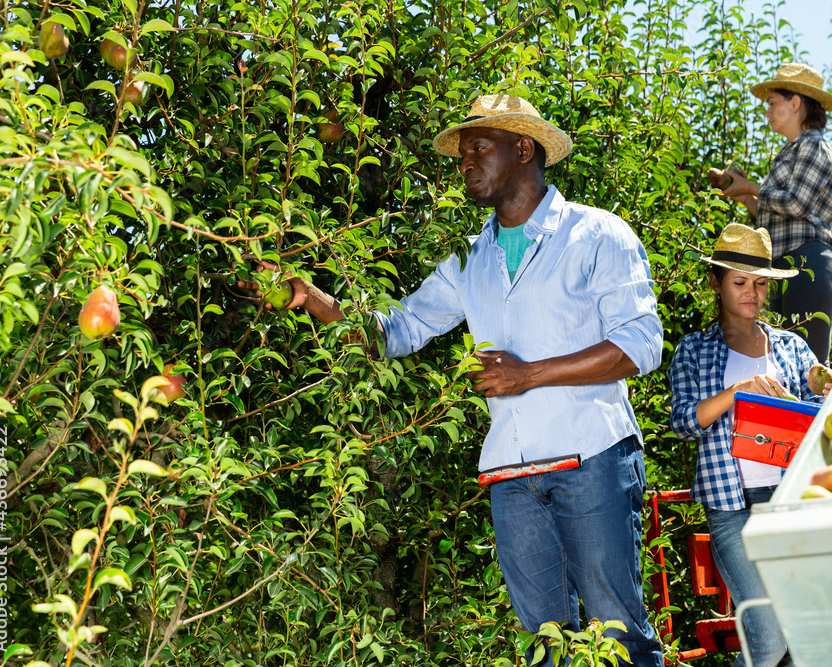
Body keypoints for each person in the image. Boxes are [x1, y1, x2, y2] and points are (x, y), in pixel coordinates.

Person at [244, 94, 665, 666]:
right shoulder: (469, 259)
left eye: (478, 148)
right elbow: (396, 331)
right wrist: (312, 299)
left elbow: (640, 346)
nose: (465, 163)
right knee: (548, 645)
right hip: (513, 475)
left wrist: (529, 374)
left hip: (592, 459)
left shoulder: (597, 236)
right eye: (462, 153)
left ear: (523, 149)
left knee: (618, 638)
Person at [667, 223, 829, 667]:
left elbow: (817, 412)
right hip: (732, 507)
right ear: (717, 283)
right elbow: (683, 422)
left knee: (803, 635)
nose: (751, 293)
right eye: (740, 282)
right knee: (769, 634)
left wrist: (827, 388)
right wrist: (737, 392)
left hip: (789, 500)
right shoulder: (695, 351)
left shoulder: (792, 349)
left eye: (760, 284)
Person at [709, 62, 832, 364]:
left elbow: (796, 204)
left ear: (795, 103)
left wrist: (751, 186)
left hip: (808, 264)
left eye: (771, 103)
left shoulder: (814, 146)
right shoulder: (790, 152)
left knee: (806, 367)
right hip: (784, 266)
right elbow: (776, 217)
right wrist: (744, 194)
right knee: (786, 366)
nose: (766, 112)